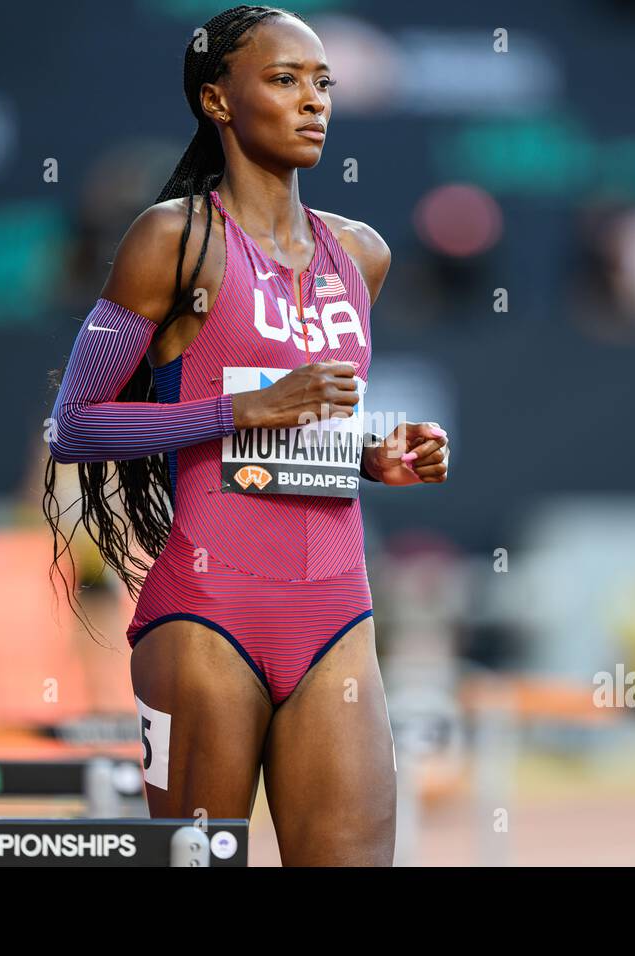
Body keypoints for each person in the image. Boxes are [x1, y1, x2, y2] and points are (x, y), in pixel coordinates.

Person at [42, 5, 450, 865]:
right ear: (219, 102)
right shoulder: (172, 240)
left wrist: (376, 456)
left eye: (323, 83)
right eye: (285, 80)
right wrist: (239, 411)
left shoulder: (361, 253)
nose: (314, 102)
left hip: (339, 613)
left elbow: (307, 429)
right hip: (209, 614)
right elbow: (74, 425)